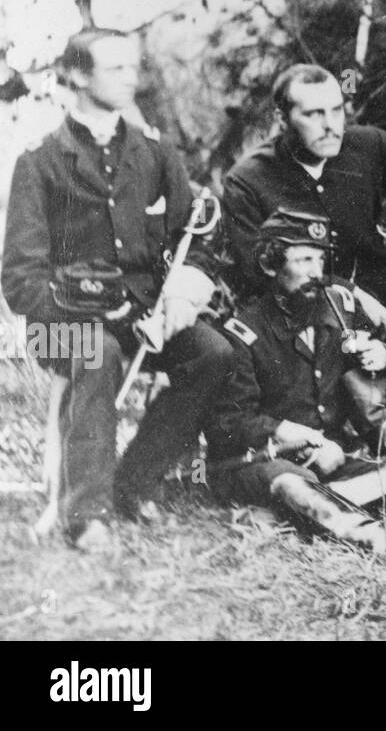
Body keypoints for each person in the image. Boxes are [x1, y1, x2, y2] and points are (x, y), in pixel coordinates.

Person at [2, 28, 233, 549]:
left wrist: (180, 295)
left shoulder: (155, 154)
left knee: (214, 354)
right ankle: (87, 513)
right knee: (96, 349)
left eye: (134, 67)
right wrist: (87, 314)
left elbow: (197, 235)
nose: (131, 78)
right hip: (59, 327)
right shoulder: (39, 162)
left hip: (146, 318)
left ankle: (132, 483)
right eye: (116, 69)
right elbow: (20, 276)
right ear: (78, 76)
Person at [208, 209, 386, 557]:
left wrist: (381, 353)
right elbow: (232, 424)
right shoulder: (244, 334)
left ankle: (292, 514)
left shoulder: (337, 306)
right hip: (262, 463)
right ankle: (367, 535)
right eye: (305, 259)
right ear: (270, 265)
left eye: (321, 259)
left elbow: (367, 353)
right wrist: (300, 436)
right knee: (290, 481)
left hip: (331, 461)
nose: (318, 273)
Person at [222, 64, 386, 313]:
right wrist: (346, 295)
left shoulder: (369, 144)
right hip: (311, 312)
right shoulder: (246, 182)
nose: (330, 125)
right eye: (314, 114)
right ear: (282, 119)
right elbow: (260, 276)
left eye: (336, 110)